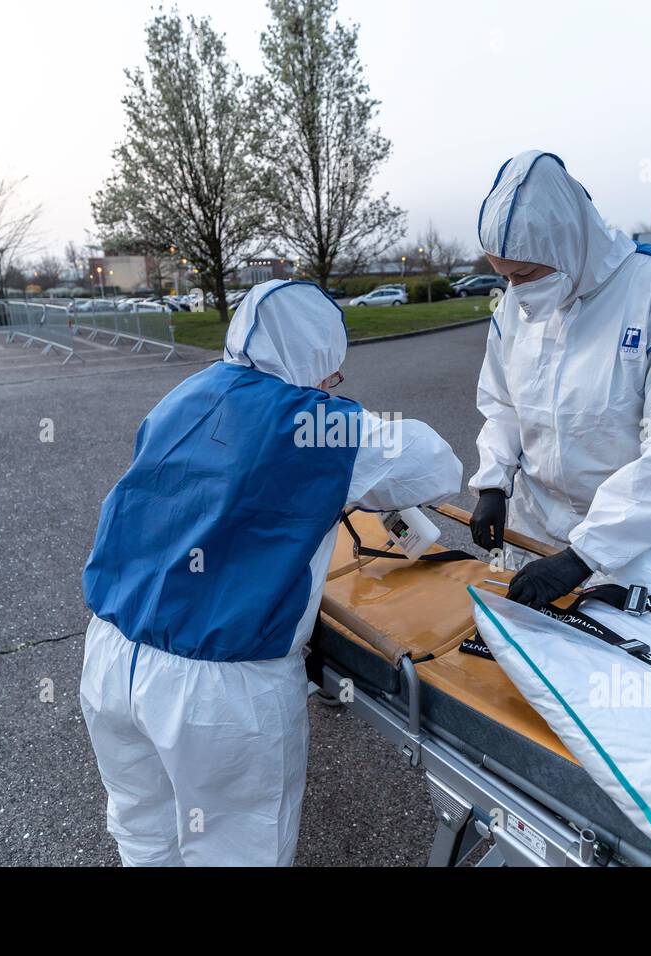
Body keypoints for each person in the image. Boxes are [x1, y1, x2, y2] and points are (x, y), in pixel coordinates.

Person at [80, 278, 462, 866]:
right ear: (318, 361)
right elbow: (437, 465)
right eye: (333, 372)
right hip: (220, 685)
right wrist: (343, 446)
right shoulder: (316, 422)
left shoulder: (186, 393)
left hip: (111, 656)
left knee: (143, 825)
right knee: (235, 848)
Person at [467, 150, 651, 607]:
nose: (515, 291)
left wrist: (585, 555)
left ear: (566, 243)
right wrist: (492, 480)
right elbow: (505, 404)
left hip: (640, 545)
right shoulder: (513, 303)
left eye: (523, 273)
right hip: (538, 531)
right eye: (503, 276)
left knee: (634, 672)